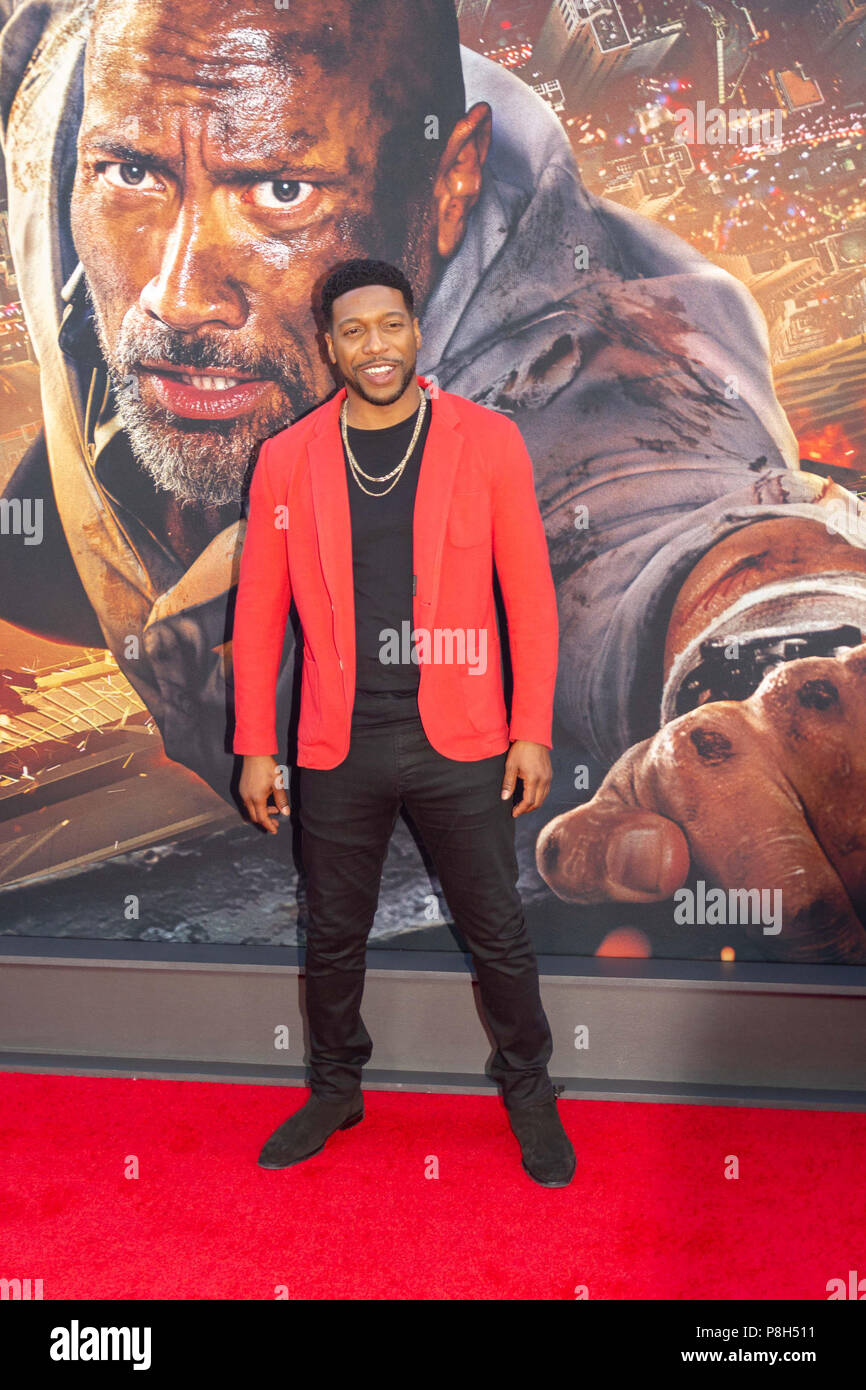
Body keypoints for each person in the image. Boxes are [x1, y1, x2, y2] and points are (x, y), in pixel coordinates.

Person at [3, 0, 866, 957]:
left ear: (450, 186)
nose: (178, 294)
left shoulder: (561, 358)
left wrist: (783, 665)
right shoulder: (76, 63)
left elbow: (653, 500)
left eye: (282, 190)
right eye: (131, 173)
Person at [233, 258, 574, 1186]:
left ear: (413, 330)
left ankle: (531, 1091)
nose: (373, 346)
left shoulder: (487, 440)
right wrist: (257, 746)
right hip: (336, 740)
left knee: (496, 930)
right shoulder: (287, 459)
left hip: (459, 733)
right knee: (332, 934)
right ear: (330, 345)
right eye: (353, 331)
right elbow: (259, 612)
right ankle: (336, 1088)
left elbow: (530, 601)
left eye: (389, 325)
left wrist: (530, 725)